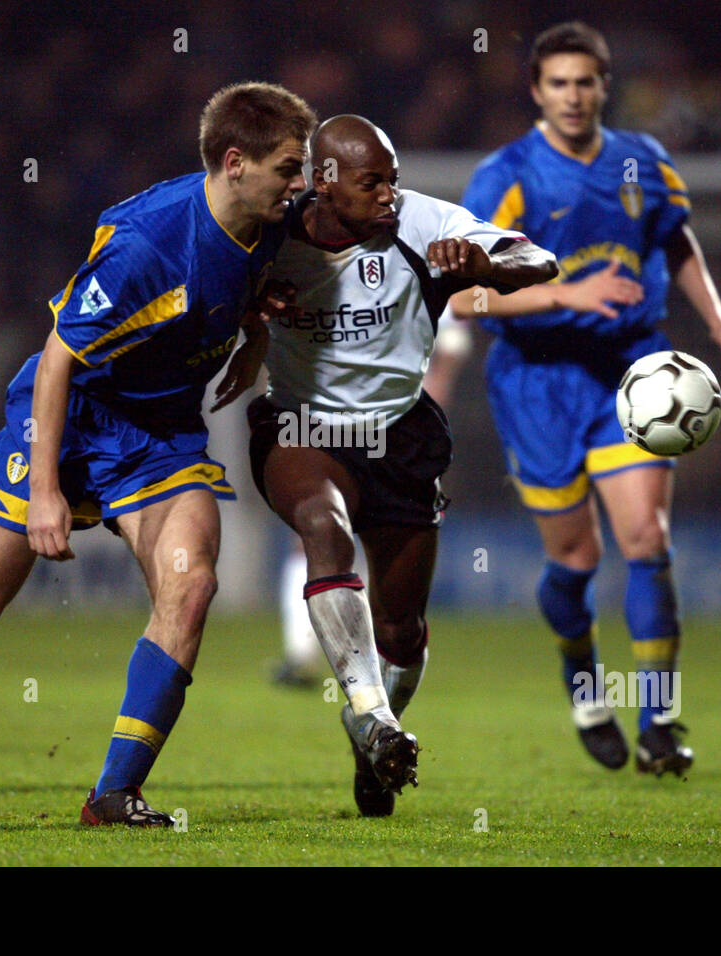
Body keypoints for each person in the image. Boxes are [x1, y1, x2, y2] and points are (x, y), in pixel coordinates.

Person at [0, 83, 317, 826]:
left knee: (190, 585)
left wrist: (257, 334)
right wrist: (46, 490)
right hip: (70, 419)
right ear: (236, 163)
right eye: (289, 168)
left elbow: (252, 279)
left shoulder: (272, 217)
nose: (300, 185)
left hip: (161, 435)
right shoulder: (149, 247)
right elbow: (56, 359)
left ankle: (115, 792)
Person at [452, 22, 721, 776]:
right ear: (537, 91)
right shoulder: (506, 177)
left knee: (646, 542)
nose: (573, 96)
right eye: (558, 83)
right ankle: (584, 683)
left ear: (606, 86)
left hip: (633, 374)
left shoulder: (645, 160)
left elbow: (676, 242)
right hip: (539, 384)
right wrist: (571, 290)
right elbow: (468, 295)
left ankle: (660, 721)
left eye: (586, 82)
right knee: (574, 558)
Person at [216, 115, 556, 815]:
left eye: (394, 178)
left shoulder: (426, 223)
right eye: (374, 182)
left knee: (401, 628)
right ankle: (371, 712)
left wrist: (484, 264)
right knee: (322, 527)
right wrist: (249, 310)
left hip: (400, 436)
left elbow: (541, 262)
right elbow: (207, 295)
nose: (390, 194)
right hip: (302, 425)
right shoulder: (271, 235)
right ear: (326, 181)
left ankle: (370, 744)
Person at [269, 311, 471, 689]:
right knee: (315, 532)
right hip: (331, 419)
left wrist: (431, 398)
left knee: (389, 550)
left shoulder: (412, 258)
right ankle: (303, 656)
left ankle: (383, 660)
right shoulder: (308, 259)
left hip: (398, 429)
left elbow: (453, 337)